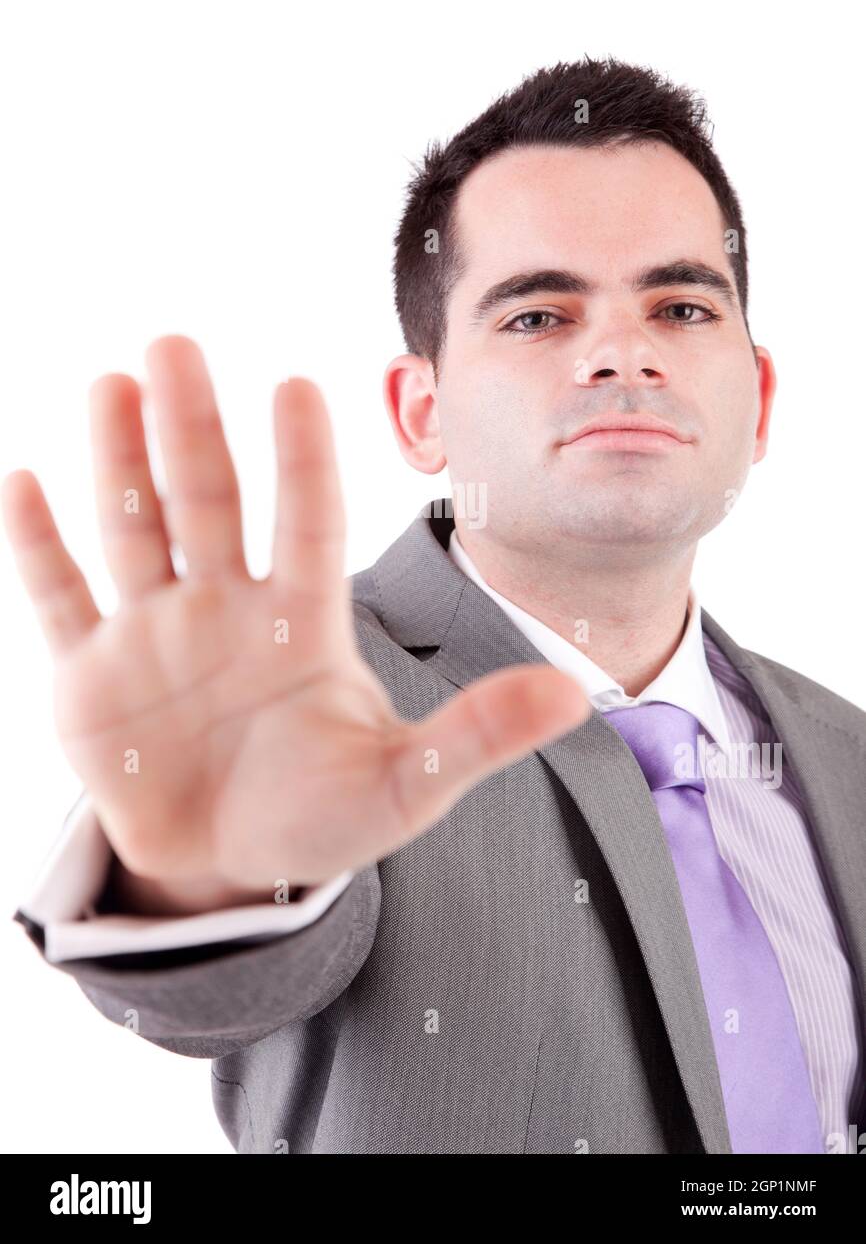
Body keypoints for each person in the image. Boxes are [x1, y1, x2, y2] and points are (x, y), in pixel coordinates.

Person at [5, 57, 865, 1155]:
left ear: (756, 400)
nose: (621, 351)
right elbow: (209, 988)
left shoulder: (841, 752)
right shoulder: (310, 699)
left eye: (680, 304)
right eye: (537, 315)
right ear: (422, 414)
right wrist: (205, 857)